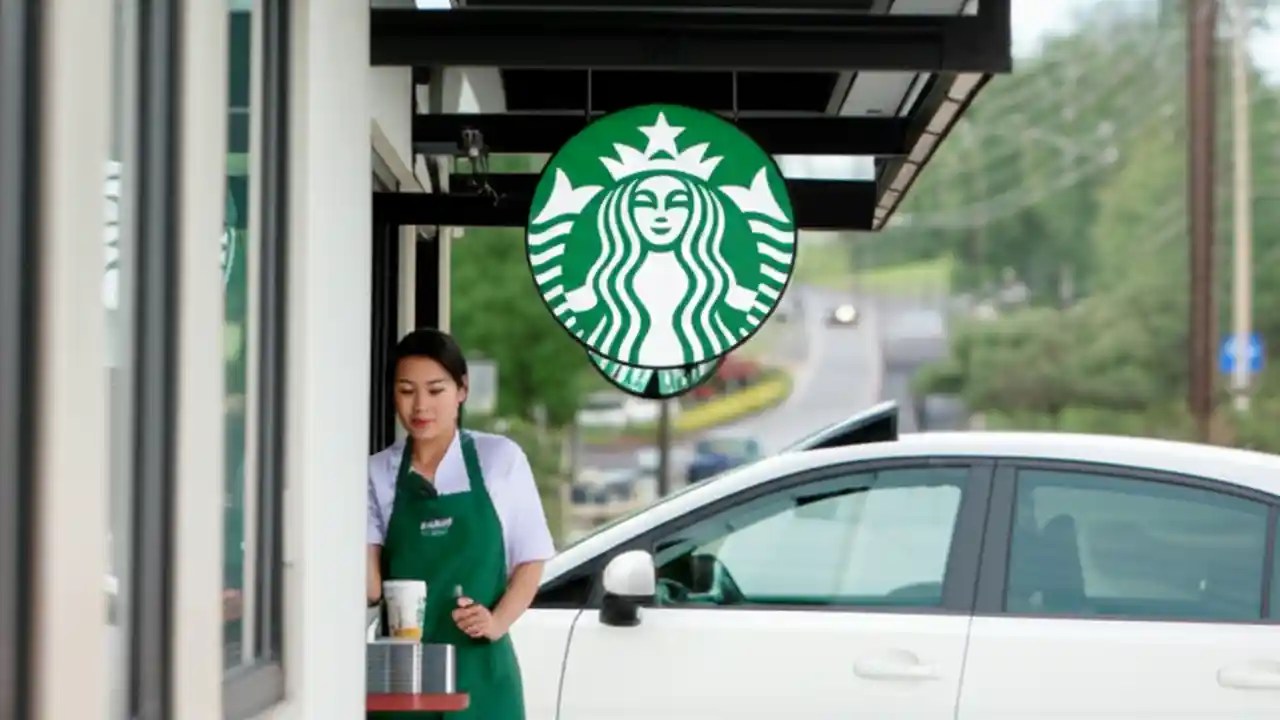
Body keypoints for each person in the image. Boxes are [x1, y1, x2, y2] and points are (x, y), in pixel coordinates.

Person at [367, 329, 555, 719]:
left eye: (436, 390)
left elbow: (531, 559)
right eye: (406, 390)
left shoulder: (500, 459)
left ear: (462, 390)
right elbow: (370, 587)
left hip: (483, 674)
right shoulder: (377, 473)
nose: (420, 406)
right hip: (404, 680)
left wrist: (496, 621)